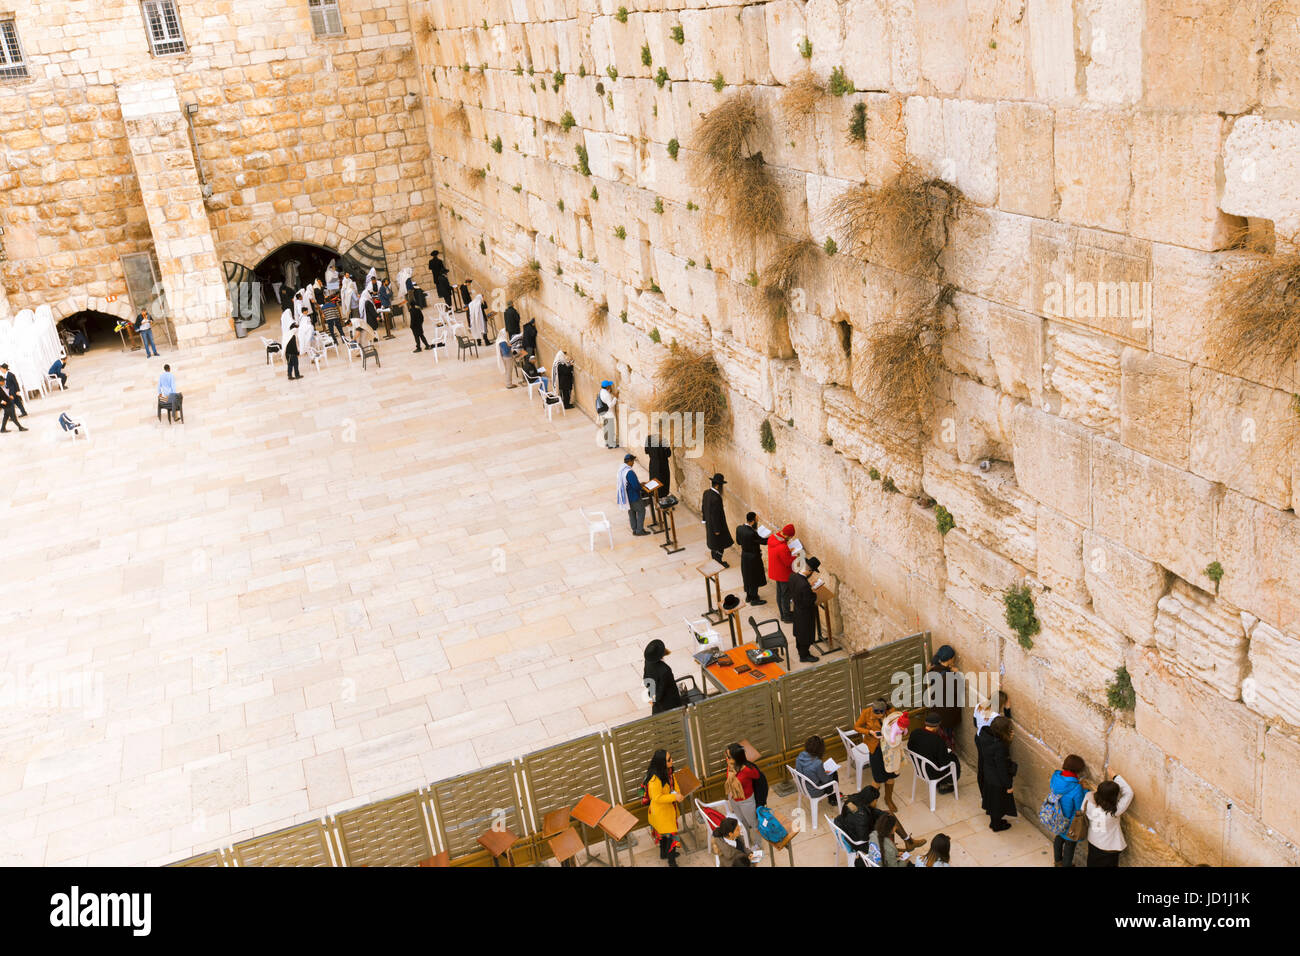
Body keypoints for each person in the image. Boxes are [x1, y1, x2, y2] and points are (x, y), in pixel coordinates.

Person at [854, 698, 904, 809]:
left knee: (891, 776)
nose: (879, 715)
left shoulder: (891, 713)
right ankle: (872, 802)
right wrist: (870, 732)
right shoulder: (866, 713)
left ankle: (888, 799)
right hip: (875, 748)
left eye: (881, 712)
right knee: (877, 779)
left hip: (889, 748)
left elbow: (899, 724)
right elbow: (856, 727)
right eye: (876, 713)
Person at [1082, 774, 1133, 867]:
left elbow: (1082, 809)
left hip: (1093, 841)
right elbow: (1129, 793)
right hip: (1108, 847)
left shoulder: (1088, 799)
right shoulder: (1114, 812)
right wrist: (1116, 777)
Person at [644, 749, 684, 866]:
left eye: (671, 757)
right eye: (669, 760)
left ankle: (664, 854)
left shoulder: (669, 771)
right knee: (671, 836)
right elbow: (657, 798)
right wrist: (674, 797)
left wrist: (677, 792)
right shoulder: (654, 779)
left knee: (664, 835)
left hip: (668, 810)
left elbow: (674, 783)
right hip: (661, 812)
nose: (672, 760)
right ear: (662, 763)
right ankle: (672, 862)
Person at [976, 715, 1017, 831]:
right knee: (998, 805)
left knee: (993, 803)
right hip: (997, 780)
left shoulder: (984, 736)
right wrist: (1008, 785)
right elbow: (1001, 768)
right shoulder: (1000, 747)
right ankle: (996, 825)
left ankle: (995, 822)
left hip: (988, 774)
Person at [1050, 754, 1089, 868]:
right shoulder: (1076, 787)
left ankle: (1058, 862)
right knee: (1069, 845)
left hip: (1057, 815)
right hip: (1070, 821)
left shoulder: (1055, 777)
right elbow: (1079, 806)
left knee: (1059, 837)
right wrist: (1085, 791)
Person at [910, 710, 961, 794]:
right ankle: (946, 784)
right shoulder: (938, 740)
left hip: (918, 767)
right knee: (954, 759)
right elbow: (944, 763)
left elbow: (910, 747)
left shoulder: (915, 733)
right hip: (932, 772)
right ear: (937, 726)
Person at [925, 644, 962, 751]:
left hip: (936, 709)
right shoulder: (948, 676)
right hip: (946, 714)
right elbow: (958, 689)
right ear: (950, 659)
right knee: (946, 739)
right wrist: (957, 674)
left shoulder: (933, 669)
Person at [789, 555, 821, 663]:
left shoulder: (793, 576)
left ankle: (801, 651)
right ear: (810, 571)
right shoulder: (804, 585)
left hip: (797, 610)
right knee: (805, 633)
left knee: (799, 632)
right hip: (805, 613)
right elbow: (808, 601)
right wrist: (814, 594)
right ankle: (804, 655)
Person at [724, 743, 761, 830]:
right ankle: (747, 841)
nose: (727, 759)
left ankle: (758, 843)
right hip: (733, 798)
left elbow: (757, 776)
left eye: (729, 757)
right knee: (741, 822)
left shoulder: (747, 770)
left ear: (736, 758)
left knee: (753, 823)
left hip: (746, 801)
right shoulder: (730, 765)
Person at [794, 735, 838, 806]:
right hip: (814, 791)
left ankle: (833, 797)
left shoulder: (800, 756)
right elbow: (825, 780)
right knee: (834, 774)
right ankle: (833, 797)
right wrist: (828, 773)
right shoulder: (817, 763)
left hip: (803, 787)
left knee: (825, 773)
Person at [735, 513, 768, 604]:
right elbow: (763, 541)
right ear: (753, 521)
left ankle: (749, 596)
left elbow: (738, 542)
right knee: (754, 577)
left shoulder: (739, 528)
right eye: (757, 520)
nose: (757, 521)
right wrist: (773, 538)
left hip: (745, 556)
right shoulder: (751, 533)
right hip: (753, 557)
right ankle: (754, 599)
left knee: (747, 576)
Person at [700, 473, 732, 565]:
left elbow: (703, 507)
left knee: (713, 542)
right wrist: (717, 529)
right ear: (718, 486)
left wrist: (704, 519)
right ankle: (718, 561)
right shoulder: (716, 498)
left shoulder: (706, 493)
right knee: (719, 544)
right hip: (716, 526)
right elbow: (715, 515)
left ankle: (715, 558)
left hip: (709, 524)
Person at [642, 639, 682, 713]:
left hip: (656, 698)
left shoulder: (648, 662)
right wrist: (655, 700)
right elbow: (661, 691)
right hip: (669, 704)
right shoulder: (665, 670)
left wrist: (652, 696)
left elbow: (646, 680)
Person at [767, 524, 795, 623]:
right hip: (783, 574)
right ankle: (787, 616)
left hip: (776, 572)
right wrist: (796, 555)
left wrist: (788, 551)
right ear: (788, 535)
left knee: (780, 594)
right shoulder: (782, 547)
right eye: (791, 537)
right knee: (785, 596)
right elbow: (788, 562)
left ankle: (783, 614)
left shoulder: (772, 538)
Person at [616, 453, 649, 536]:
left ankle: (634, 529)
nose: (633, 463)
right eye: (633, 461)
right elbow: (635, 486)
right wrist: (642, 487)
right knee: (641, 510)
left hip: (626, 497)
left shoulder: (622, 469)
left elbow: (628, 483)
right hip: (633, 497)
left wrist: (640, 484)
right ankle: (639, 531)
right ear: (629, 461)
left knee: (632, 512)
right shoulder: (629, 472)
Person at [644, 428, 671, 493]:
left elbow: (646, 451)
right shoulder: (663, 439)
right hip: (663, 466)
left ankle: (655, 496)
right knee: (663, 481)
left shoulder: (648, 438)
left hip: (653, 465)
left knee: (654, 481)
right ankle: (662, 497)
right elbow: (668, 454)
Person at [408, 286, 429, 352]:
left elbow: (412, 320)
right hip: (419, 325)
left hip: (415, 327)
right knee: (422, 335)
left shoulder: (412, 311)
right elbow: (422, 317)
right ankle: (427, 345)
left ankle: (419, 348)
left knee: (416, 337)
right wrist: (421, 323)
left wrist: (411, 326)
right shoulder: (418, 309)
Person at [597, 379, 617, 448]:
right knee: (610, 428)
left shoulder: (601, 392)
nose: (611, 386)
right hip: (608, 414)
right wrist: (615, 398)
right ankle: (611, 444)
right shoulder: (606, 394)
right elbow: (610, 405)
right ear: (608, 387)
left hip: (603, 413)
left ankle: (607, 442)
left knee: (606, 428)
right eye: (610, 385)